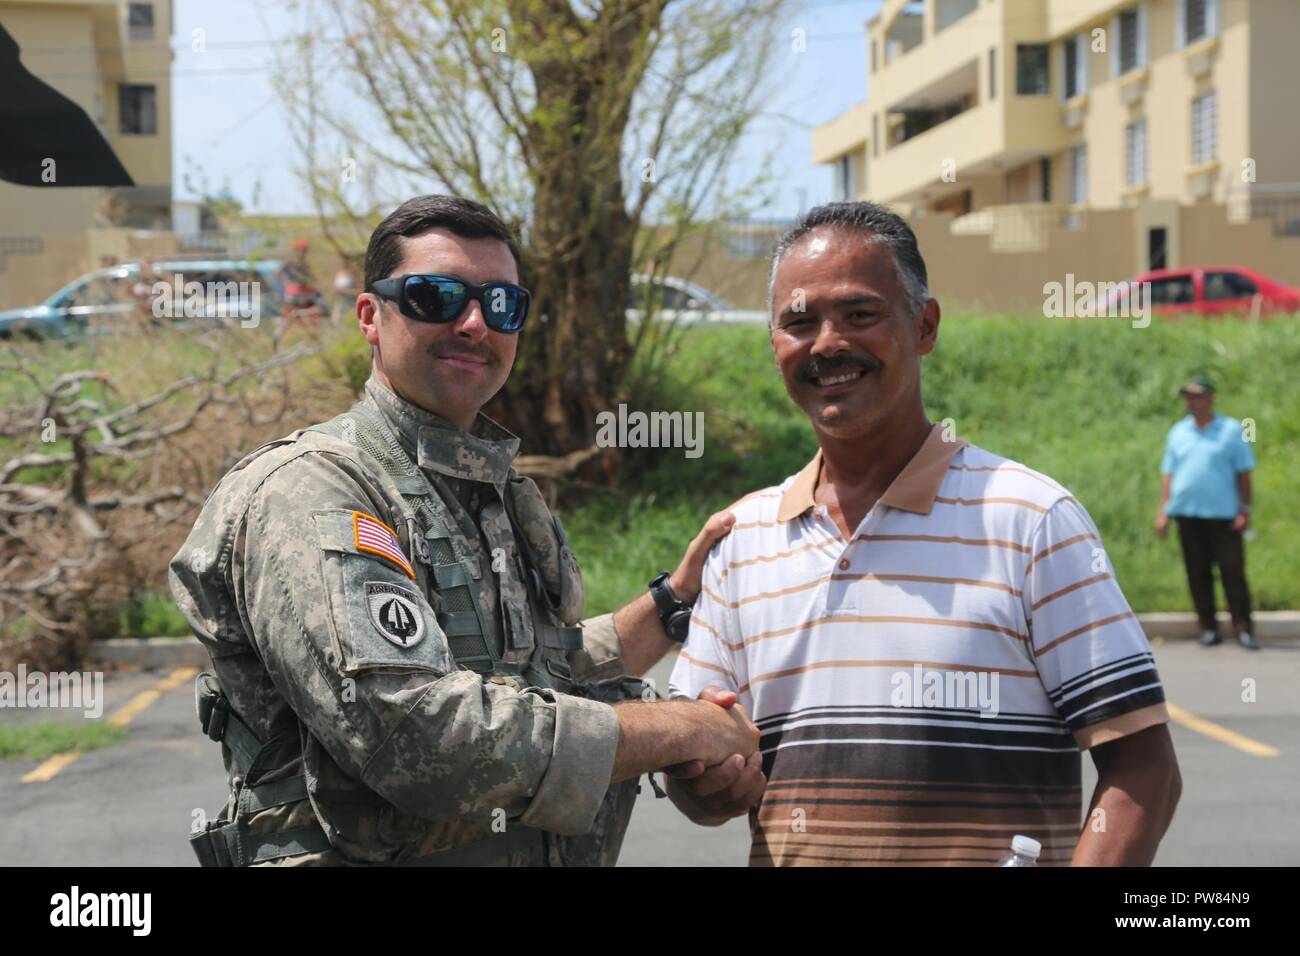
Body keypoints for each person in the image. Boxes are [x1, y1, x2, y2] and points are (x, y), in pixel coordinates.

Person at [170, 195, 758, 866]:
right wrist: (678, 730)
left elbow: (536, 668)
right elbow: (417, 735)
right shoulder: (314, 491)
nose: (475, 323)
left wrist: (672, 605)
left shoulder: (488, 490)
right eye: (435, 296)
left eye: (502, 304)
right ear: (370, 315)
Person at [666, 201, 1182, 866]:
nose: (827, 343)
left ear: (925, 326)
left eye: (859, 314)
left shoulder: (1030, 520)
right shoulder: (744, 539)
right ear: (774, 345)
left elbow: (1144, 766)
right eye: (800, 321)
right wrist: (705, 784)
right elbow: (701, 767)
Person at [1155, 376, 1257, 649]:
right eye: (1188, 397)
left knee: (1232, 570)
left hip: (1223, 514)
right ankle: (1208, 627)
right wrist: (1163, 510)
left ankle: (1243, 626)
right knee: (1197, 571)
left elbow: (1244, 473)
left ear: (1211, 397)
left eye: (1197, 396)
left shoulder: (1232, 430)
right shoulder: (1178, 432)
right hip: (1187, 513)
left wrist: (1244, 509)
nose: (1192, 401)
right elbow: (1169, 474)